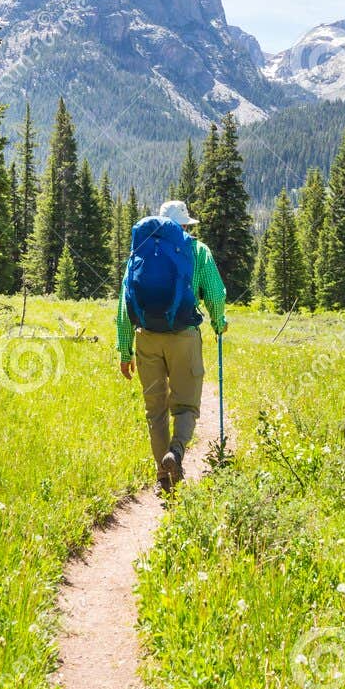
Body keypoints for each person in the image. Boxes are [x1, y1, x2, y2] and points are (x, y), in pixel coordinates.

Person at [115, 200, 227, 491]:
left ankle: (162, 476)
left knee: (155, 410)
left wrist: (124, 350)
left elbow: (124, 303)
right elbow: (214, 294)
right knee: (186, 405)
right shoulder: (198, 251)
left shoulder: (140, 250)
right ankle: (175, 453)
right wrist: (218, 323)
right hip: (183, 337)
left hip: (146, 337)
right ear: (186, 225)